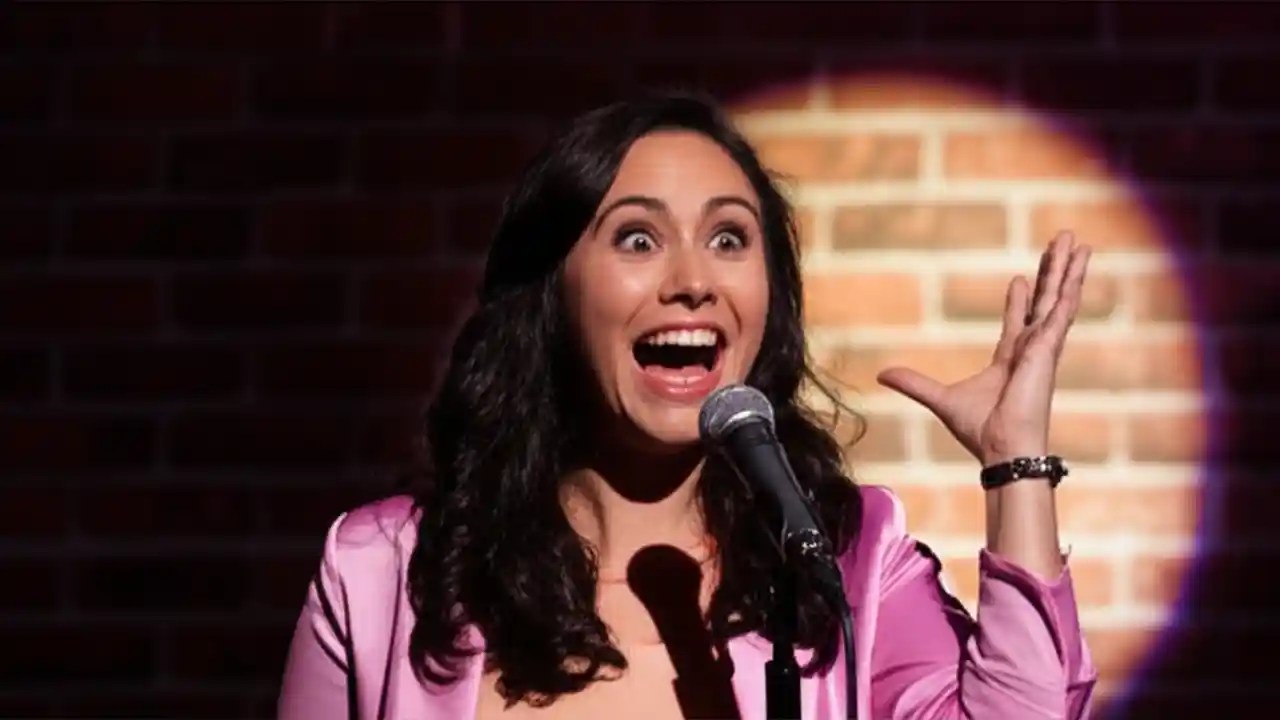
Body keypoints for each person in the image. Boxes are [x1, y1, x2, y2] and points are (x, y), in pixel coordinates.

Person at [277, 92, 1097, 720]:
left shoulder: (844, 565)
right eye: (638, 238)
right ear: (550, 295)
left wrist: (1014, 460)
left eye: (730, 239)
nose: (693, 280)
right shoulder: (383, 570)